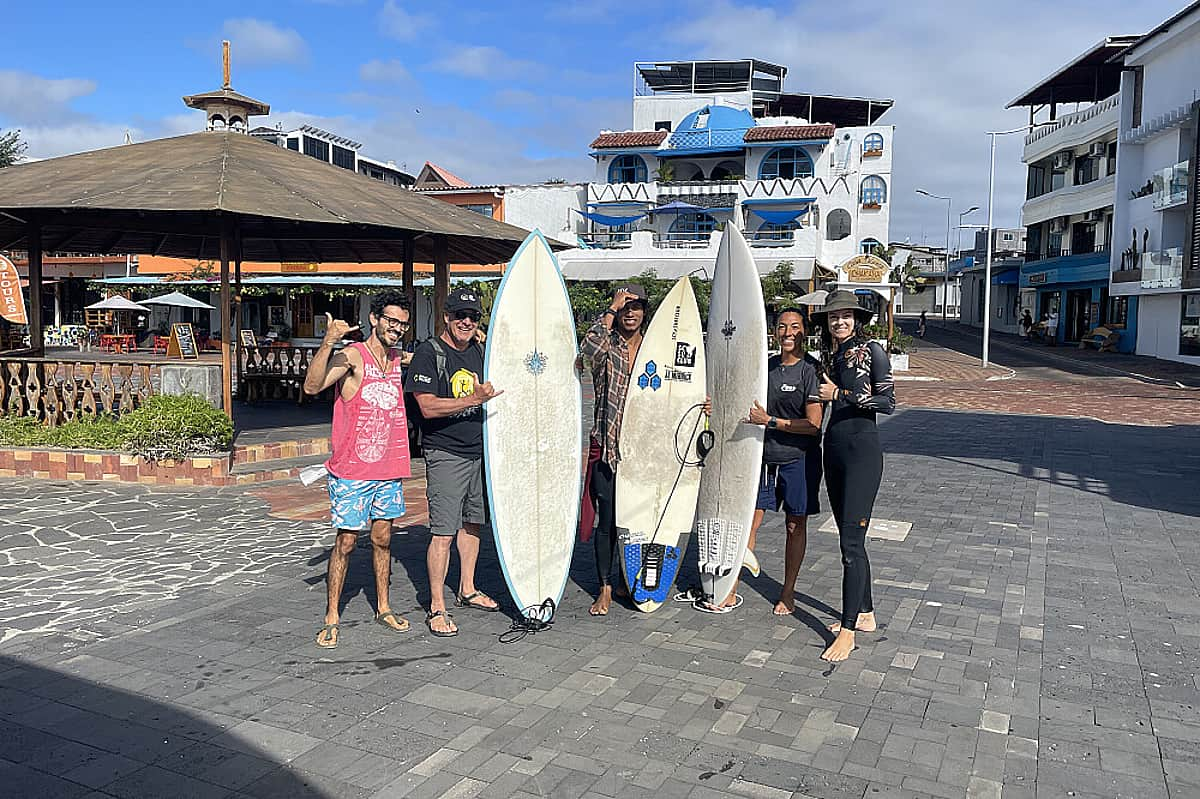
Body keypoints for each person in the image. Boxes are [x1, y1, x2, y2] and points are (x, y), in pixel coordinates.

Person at [302, 291, 414, 649]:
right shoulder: (352, 357)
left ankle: (383, 606)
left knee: (383, 539)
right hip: (352, 470)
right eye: (391, 321)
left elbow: (432, 358)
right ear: (375, 319)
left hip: (389, 468)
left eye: (403, 324)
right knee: (347, 541)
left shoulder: (398, 359)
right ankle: (332, 615)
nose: (396, 328)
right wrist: (328, 341)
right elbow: (312, 385)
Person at [698, 309, 824, 615]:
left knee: (795, 526)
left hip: (799, 461)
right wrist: (712, 404)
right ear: (774, 331)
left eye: (794, 326)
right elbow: (741, 402)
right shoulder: (765, 368)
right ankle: (732, 586)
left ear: (803, 331)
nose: (788, 332)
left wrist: (770, 422)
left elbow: (814, 425)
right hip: (763, 460)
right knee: (747, 524)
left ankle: (788, 591)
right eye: (782, 327)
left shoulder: (811, 370)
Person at [405, 287, 504, 637]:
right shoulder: (428, 354)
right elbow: (427, 406)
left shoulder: (481, 352)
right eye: (460, 314)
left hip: (480, 453)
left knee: (473, 524)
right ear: (446, 316)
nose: (466, 321)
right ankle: (436, 606)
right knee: (443, 532)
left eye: (472, 316)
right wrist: (472, 400)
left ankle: (468, 588)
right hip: (446, 453)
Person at [811, 291, 895, 663]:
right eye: (833, 317)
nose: (839, 322)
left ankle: (847, 633)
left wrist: (839, 393)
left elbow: (887, 401)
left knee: (851, 544)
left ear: (857, 319)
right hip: (835, 448)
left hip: (862, 450)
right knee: (851, 539)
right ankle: (865, 615)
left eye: (845, 316)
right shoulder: (832, 355)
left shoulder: (872, 350)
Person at [579, 283, 647, 617]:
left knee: (634, 518)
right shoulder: (607, 346)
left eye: (636, 306)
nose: (630, 312)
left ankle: (627, 579)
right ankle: (605, 586)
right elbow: (586, 353)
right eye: (625, 307)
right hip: (607, 444)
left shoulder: (654, 347)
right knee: (607, 519)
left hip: (643, 450)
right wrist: (609, 309)